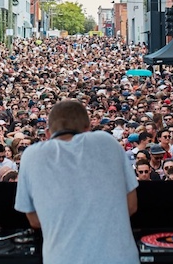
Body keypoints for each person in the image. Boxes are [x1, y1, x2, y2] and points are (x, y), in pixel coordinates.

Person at [15, 99, 139, 264]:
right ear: (87, 128)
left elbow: (34, 221)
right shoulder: (108, 142)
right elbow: (131, 206)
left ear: (47, 133)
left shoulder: (31, 156)